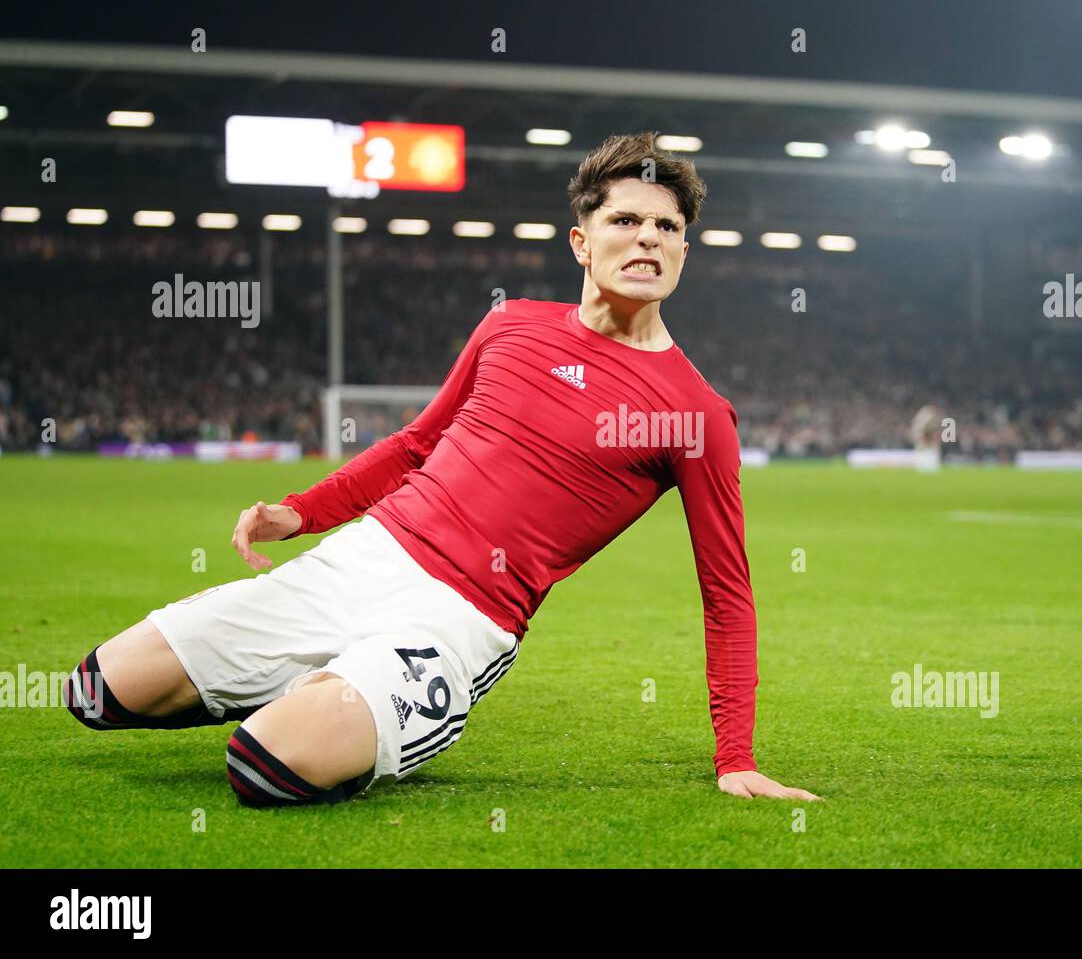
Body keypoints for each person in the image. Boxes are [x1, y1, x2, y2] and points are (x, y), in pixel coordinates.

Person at [64, 131, 820, 806]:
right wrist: (303, 510)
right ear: (581, 242)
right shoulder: (511, 323)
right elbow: (418, 442)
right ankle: (308, 680)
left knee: (260, 767)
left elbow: (726, 594)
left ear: (685, 251)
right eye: (626, 219)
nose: (648, 237)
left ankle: (353, 697)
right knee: (97, 689)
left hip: (458, 619)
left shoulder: (698, 414)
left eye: (668, 226)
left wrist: (735, 756)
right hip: (361, 560)